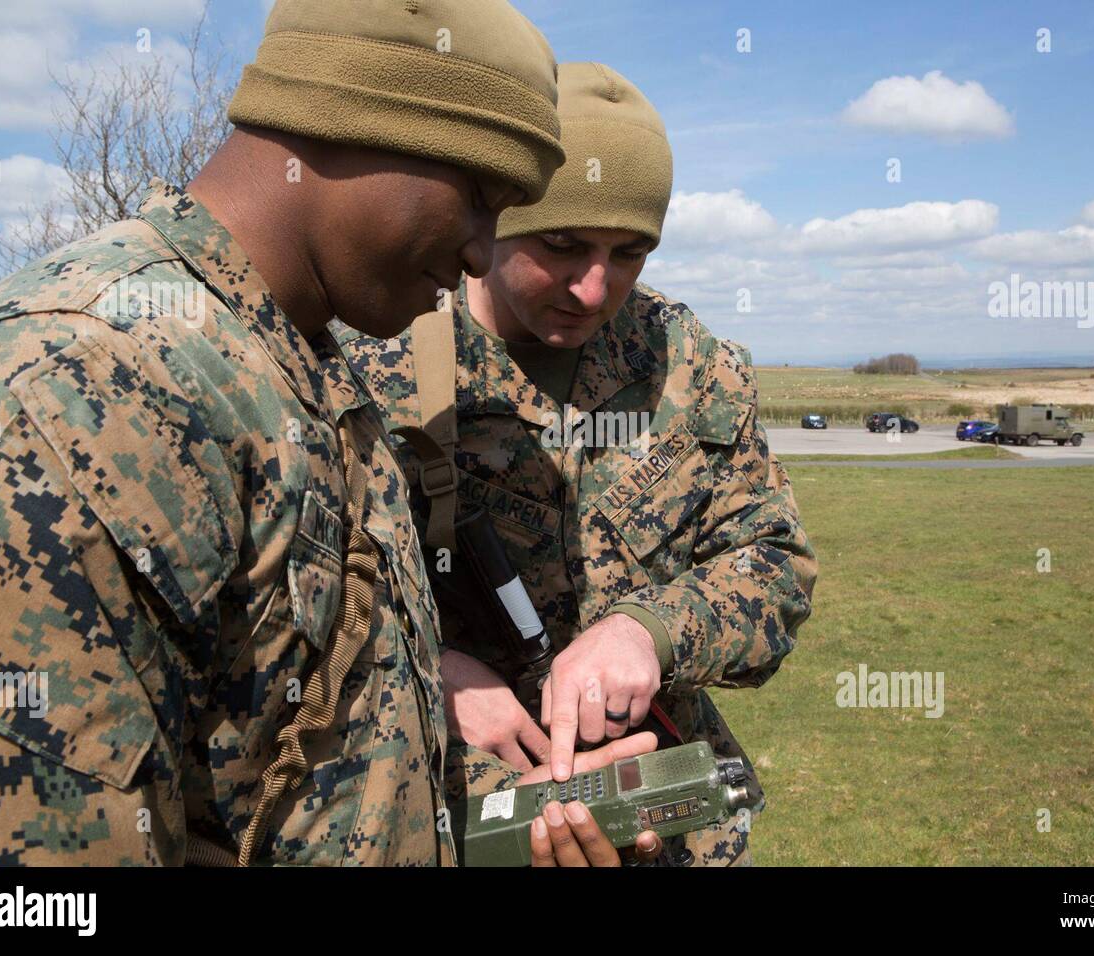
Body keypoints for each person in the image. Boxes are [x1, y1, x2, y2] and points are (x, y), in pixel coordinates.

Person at [0, 0, 630, 867]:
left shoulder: (303, 374)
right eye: (483, 198)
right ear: (355, 115)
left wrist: (511, 815)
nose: (478, 257)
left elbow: (289, 771)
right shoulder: (81, 389)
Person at [338, 62, 817, 866]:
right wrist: (423, 667)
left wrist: (650, 631)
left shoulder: (693, 366)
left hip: (664, 818)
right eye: (561, 246)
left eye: (629, 253)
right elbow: (305, 602)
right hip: (458, 813)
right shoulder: (381, 361)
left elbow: (776, 566)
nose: (595, 289)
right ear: (494, 224)